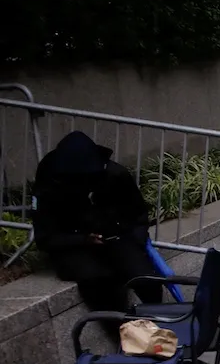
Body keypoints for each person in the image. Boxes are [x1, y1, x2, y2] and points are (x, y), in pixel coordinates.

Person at [32, 131, 164, 314]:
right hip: (73, 245)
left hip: (115, 237)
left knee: (146, 278)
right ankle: (122, 328)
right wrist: (83, 240)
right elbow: (45, 237)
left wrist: (134, 242)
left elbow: (137, 215)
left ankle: (159, 322)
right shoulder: (50, 183)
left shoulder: (114, 175)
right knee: (100, 281)